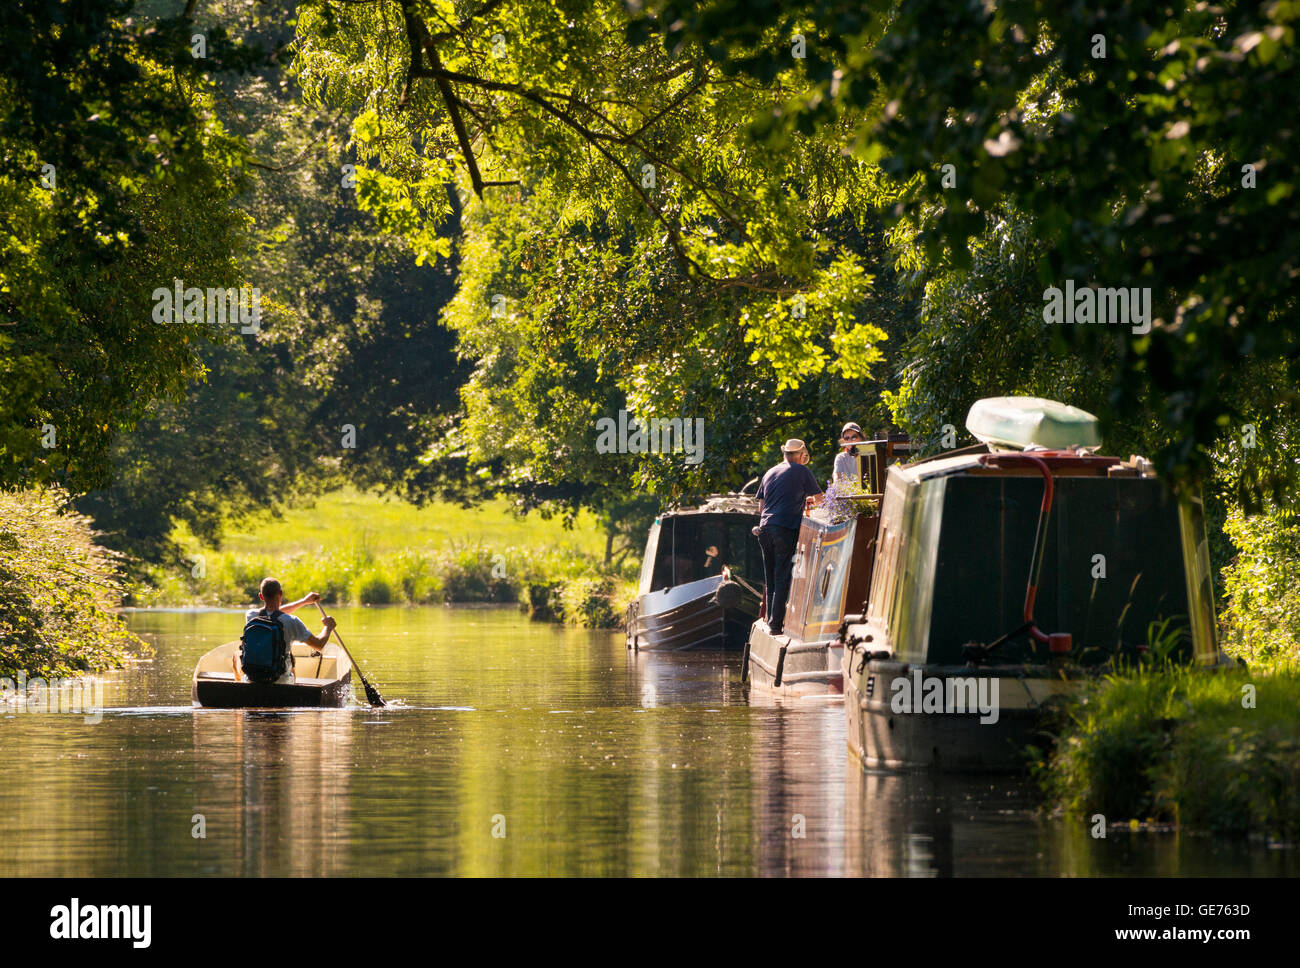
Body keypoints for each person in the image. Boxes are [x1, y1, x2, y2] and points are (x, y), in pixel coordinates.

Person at [754, 439, 822, 635]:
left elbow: (761, 507)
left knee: (771, 576)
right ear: (802, 455)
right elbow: (820, 499)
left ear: (784, 454)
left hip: (765, 528)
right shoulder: (802, 471)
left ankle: (769, 619)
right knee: (783, 575)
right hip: (785, 529)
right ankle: (776, 626)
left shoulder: (770, 472)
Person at [242, 578, 335, 684]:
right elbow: (318, 645)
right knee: (291, 659)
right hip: (280, 680)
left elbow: (273, 613)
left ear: (261, 596)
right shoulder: (292, 621)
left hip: (252, 677)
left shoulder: (251, 615)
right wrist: (328, 627)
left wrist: (304, 601)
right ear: (280, 593)